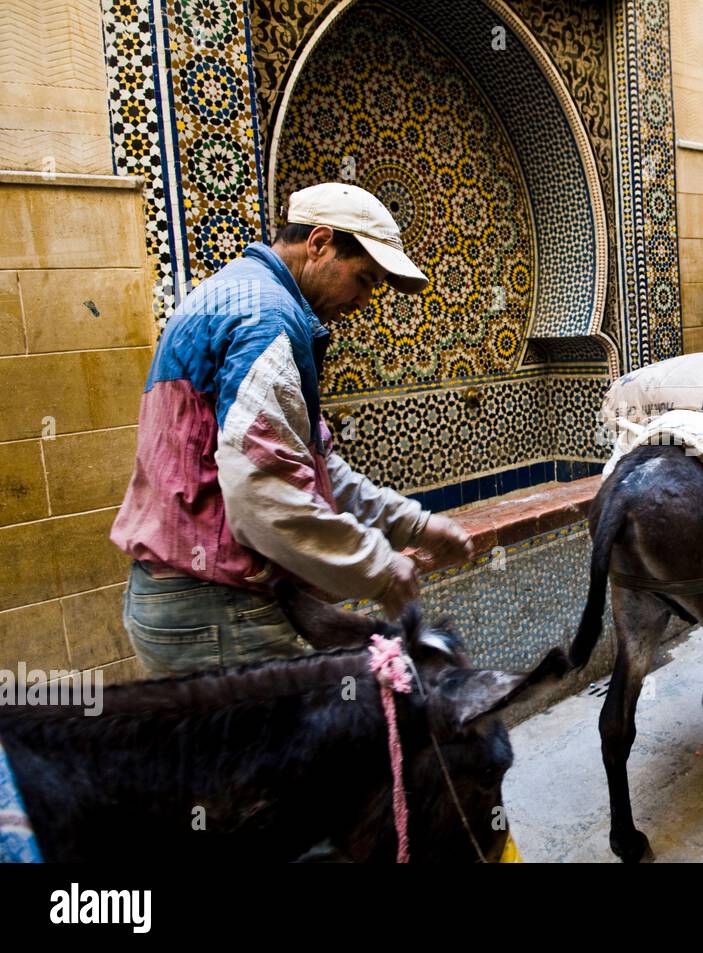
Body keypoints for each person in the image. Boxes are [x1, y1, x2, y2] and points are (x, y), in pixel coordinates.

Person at [110, 182, 473, 676]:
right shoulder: (267, 319)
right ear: (319, 243)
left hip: (182, 601)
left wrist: (412, 524)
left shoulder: (236, 294)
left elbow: (304, 464)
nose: (363, 302)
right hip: (218, 609)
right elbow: (265, 493)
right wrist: (378, 568)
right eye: (364, 280)